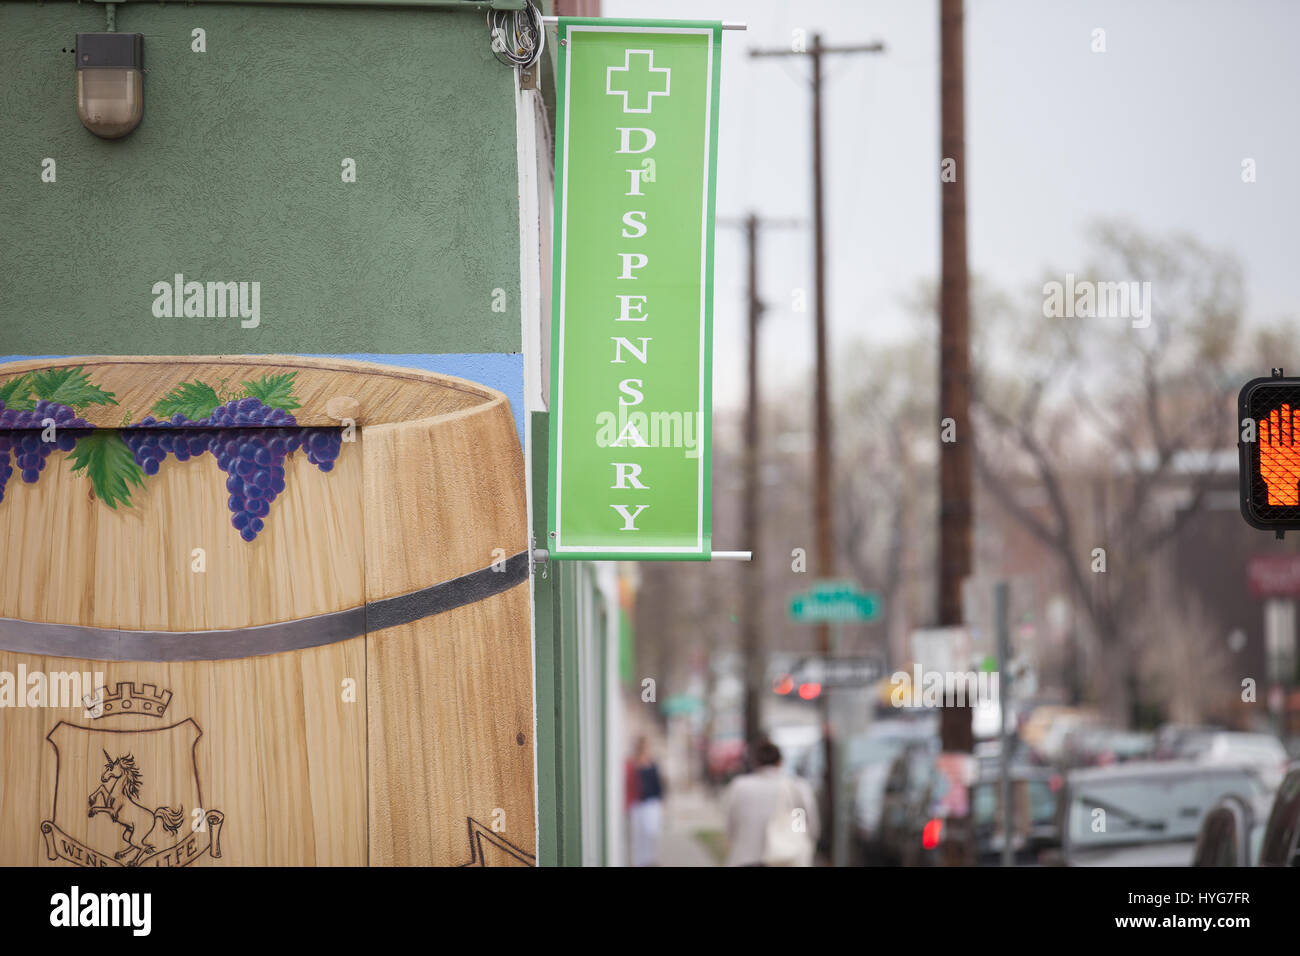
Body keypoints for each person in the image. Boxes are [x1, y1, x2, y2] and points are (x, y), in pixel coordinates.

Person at [723, 736, 819, 866]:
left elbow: (730, 827)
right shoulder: (795, 788)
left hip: (745, 859)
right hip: (785, 859)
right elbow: (806, 828)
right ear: (780, 762)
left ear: (755, 762)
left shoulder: (739, 787)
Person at [627, 736, 665, 866]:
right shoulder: (633, 764)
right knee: (639, 836)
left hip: (652, 803)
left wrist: (661, 800)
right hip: (638, 804)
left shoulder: (653, 763)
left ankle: (650, 860)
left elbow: (658, 784)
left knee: (652, 833)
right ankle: (640, 862)